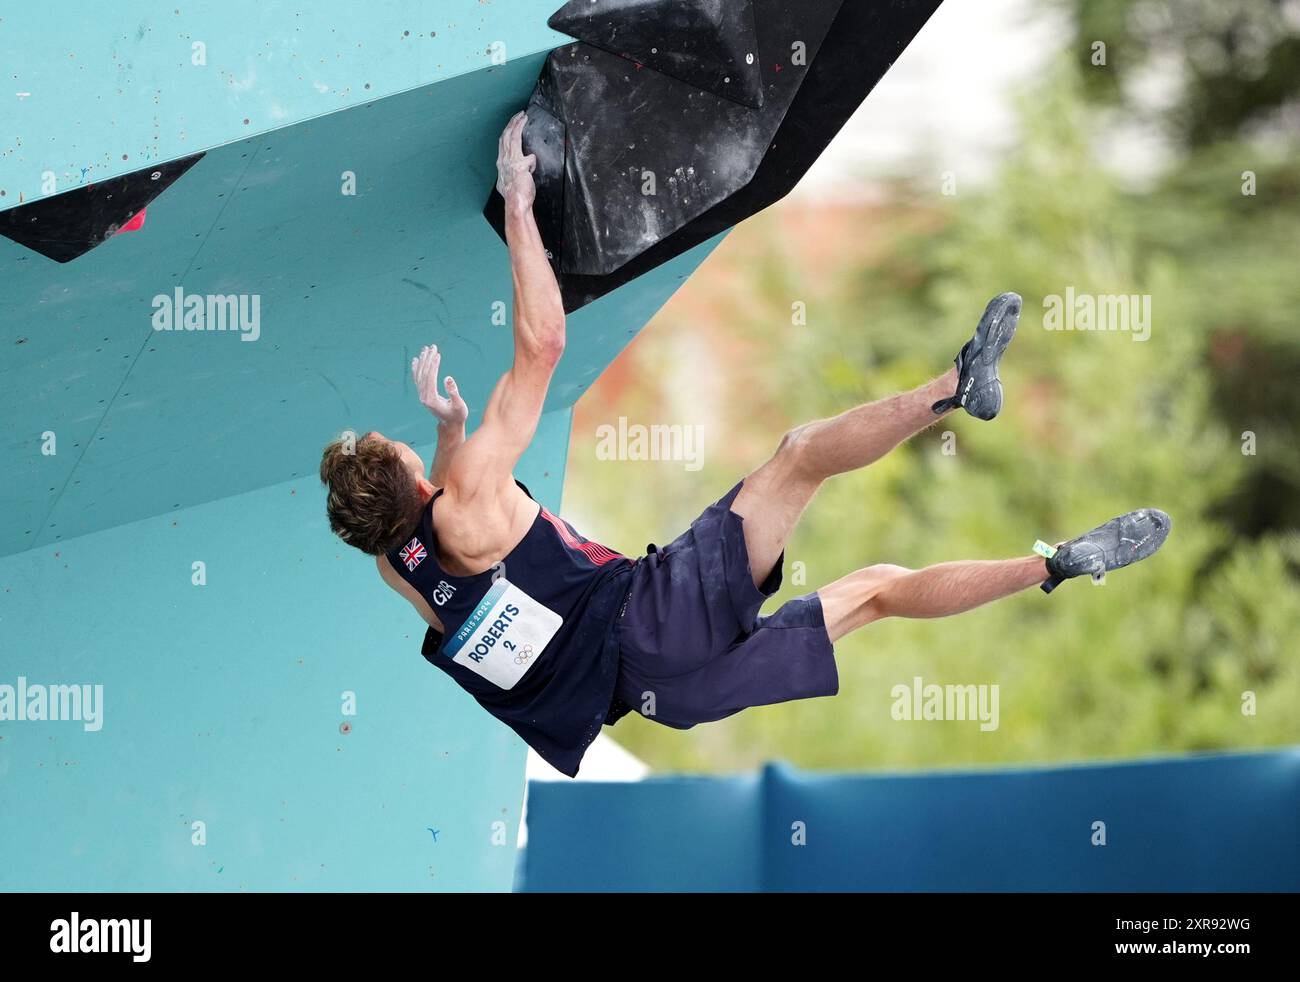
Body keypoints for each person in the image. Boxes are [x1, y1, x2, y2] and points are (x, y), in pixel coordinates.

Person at [318, 113, 1171, 776]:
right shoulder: (460, 499)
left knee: (873, 593)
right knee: (799, 454)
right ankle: (954, 388)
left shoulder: (398, 566)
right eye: (403, 448)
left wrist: (451, 430)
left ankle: (1055, 565)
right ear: (410, 475)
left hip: (665, 693)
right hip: (649, 618)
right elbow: (541, 346)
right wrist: (516, 200)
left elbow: (445, 547)